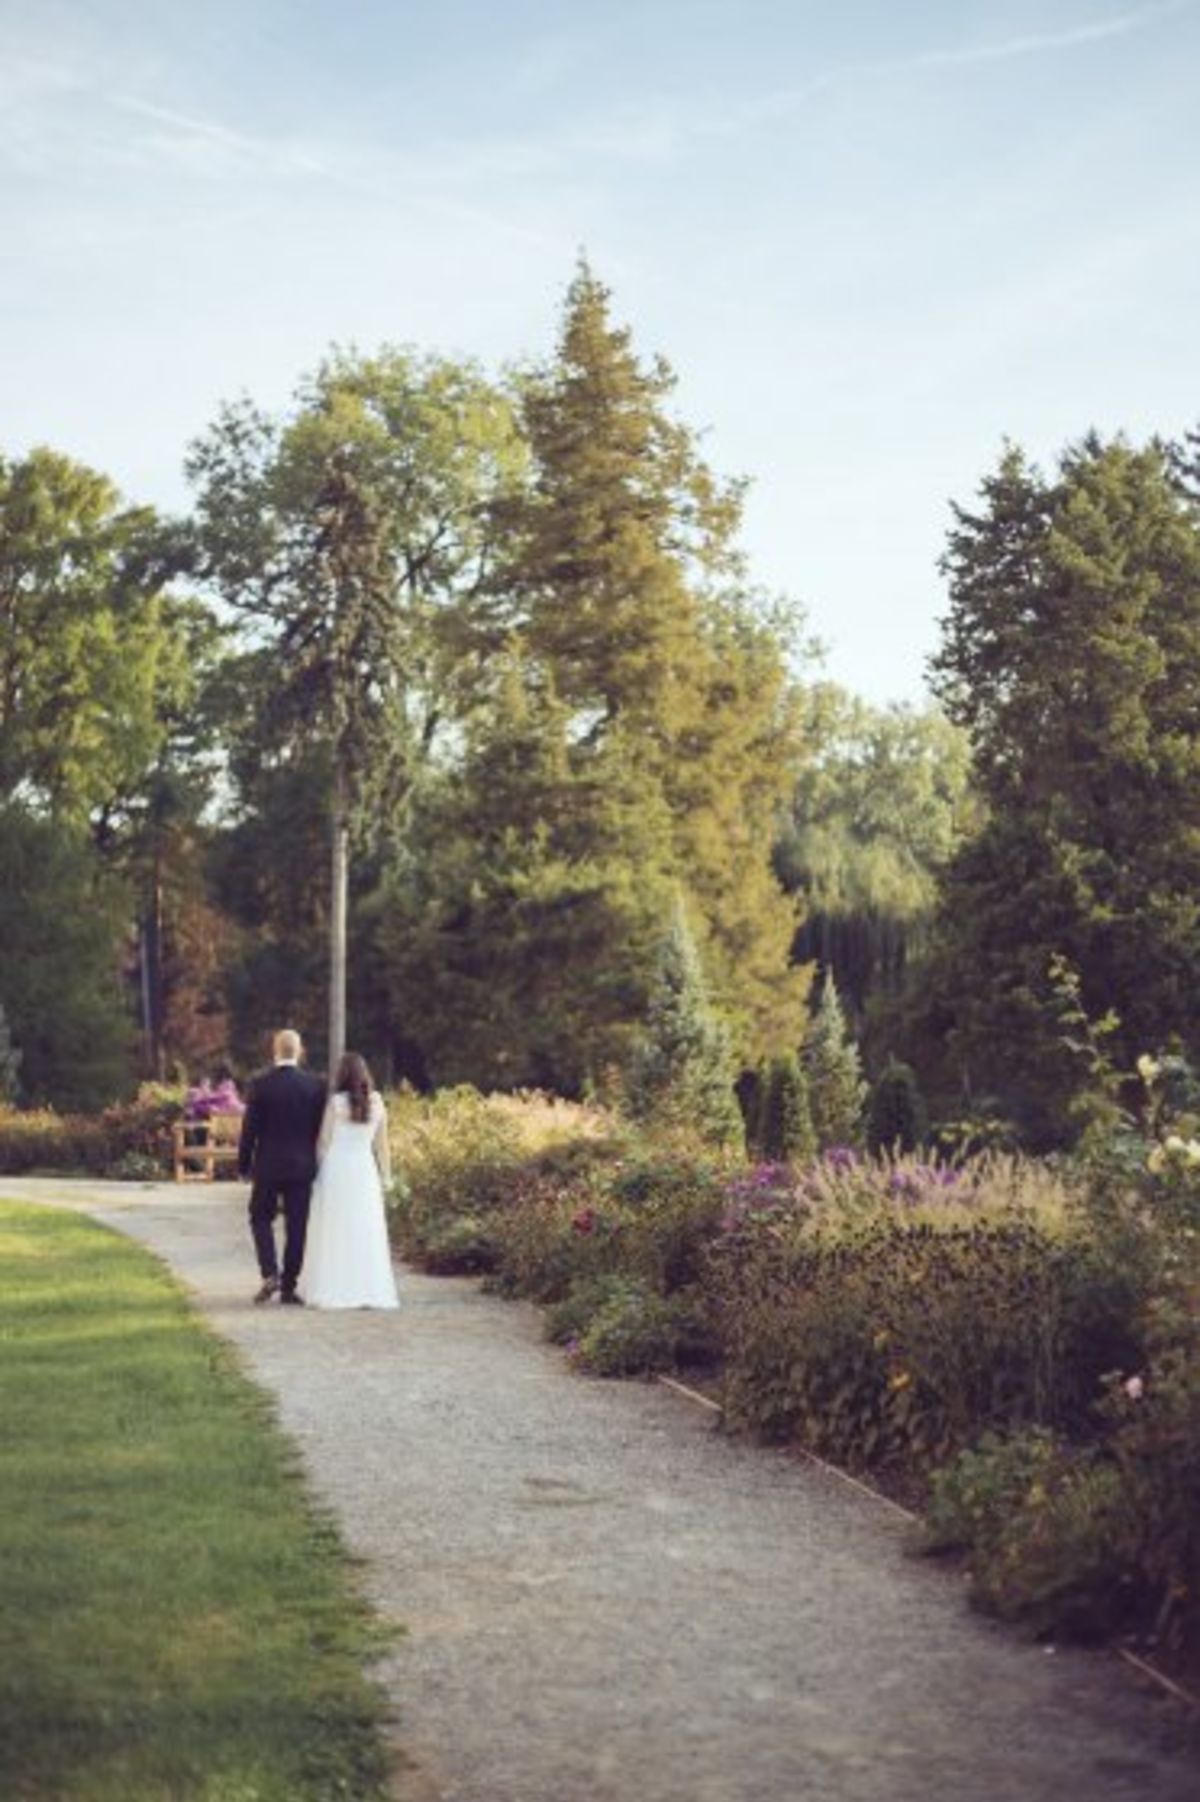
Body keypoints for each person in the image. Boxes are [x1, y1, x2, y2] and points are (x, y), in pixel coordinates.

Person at [302, 1051, 399, 1309]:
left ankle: (334, 1287)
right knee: (365, 1228)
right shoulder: (377, 1103)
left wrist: (317, 1172)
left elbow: (323, 1142)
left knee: (335, 1228)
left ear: (342, 1075)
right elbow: (383, 1147)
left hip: (337, 1169)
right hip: (364, 1171)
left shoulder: (336, 1103)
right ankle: (367, 1288)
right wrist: (387, 1177)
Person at [237, 1028, 327, 1306]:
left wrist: (243, 1165)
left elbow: (249, 1130)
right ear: (299, 1051)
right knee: (297, 1226)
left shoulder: (260, 1084)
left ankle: (269, 1273)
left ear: (275, 1051)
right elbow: (319, 1130)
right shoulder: (315, 1085)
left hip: (268, 1165)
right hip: (301, 1166)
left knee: (260, 1217)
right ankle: (289, 1286)